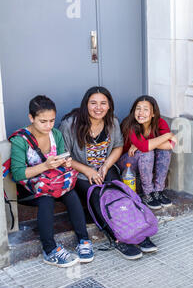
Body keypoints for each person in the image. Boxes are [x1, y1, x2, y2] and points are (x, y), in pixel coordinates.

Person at [60, 86, 156, 259]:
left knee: (120, 193)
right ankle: (118, 239)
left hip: (106, 167)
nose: (98, 108)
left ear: (109, 105)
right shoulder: (70, 124)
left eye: (103, 103)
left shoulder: (112, 121)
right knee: (98, 195)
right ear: (86, 104)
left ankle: (138, 232)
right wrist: (88, 170)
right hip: (81, 172)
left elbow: (118, 146)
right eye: (93, 103)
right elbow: (64, 157)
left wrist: (105, 166)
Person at [10, 95, 94, 267]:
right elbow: (18, 174)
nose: (48, 126)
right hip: (30, 188)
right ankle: (50, 250)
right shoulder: (20, 140)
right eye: (43, 121)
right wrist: (46, 166)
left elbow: (63, 156)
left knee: (71, 192)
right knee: (46, 199)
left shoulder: (55, 134)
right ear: (31, 118)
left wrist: (66, 162)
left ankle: (83, 240)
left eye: (52, 120)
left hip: (54, 182)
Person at [119, 95, 176, 210]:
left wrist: (144, 144)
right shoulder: (129, 124)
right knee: (147, 152)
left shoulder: (160, 123)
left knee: (164, 151)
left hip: (146, 158)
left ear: (153, 113)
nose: (141, 112)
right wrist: (168, 135)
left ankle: (158, 191)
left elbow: (171, 145)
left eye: (146, 109)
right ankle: (148, 193)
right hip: (126, 162)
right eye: (138, 108)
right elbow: (145, 148)